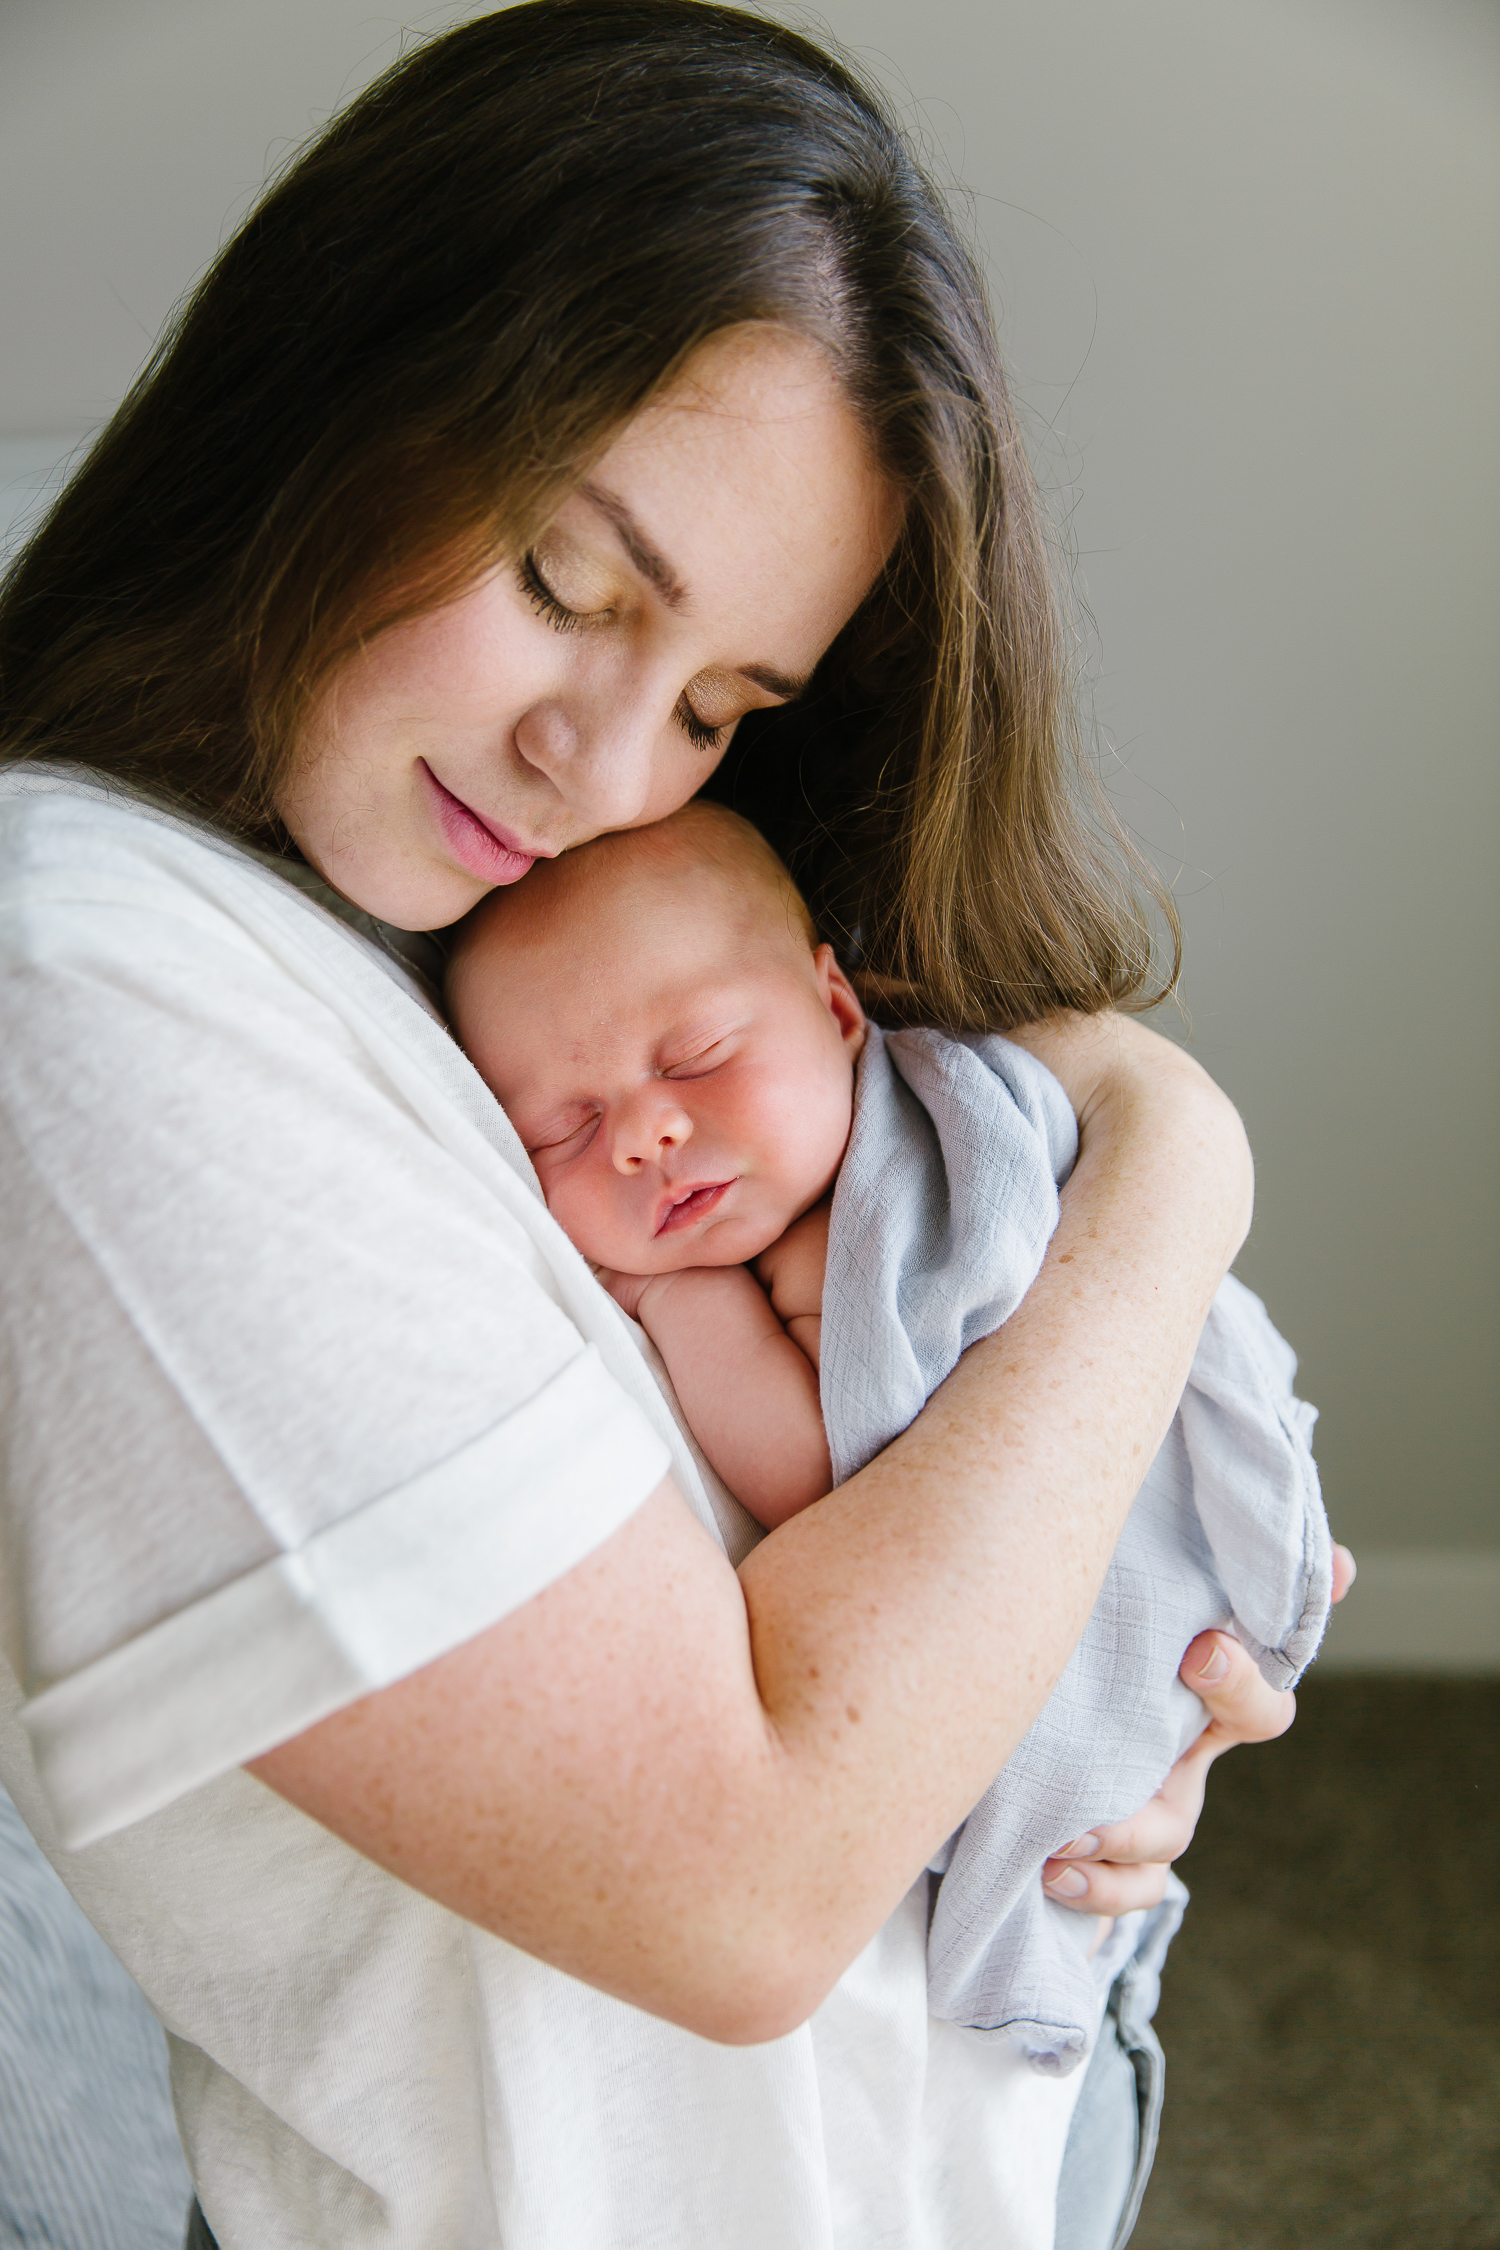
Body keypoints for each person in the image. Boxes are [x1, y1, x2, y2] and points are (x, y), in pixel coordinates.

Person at [0, 6, 1296, 2246]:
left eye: (718, 704)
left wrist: (1094, 1665)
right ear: (342, 381)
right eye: (570, 590)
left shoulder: (415, 888)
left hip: (997, 2078)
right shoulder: (84, 973)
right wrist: (1178, 1160)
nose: (601, 771)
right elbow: (746, 1893)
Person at [446, 798, 1341, 2058]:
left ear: (840, 1009)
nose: (643, 1132)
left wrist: (678, 1305)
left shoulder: (889, 1193)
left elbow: (830, 1477)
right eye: (566, 1128)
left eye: (695, 1054)